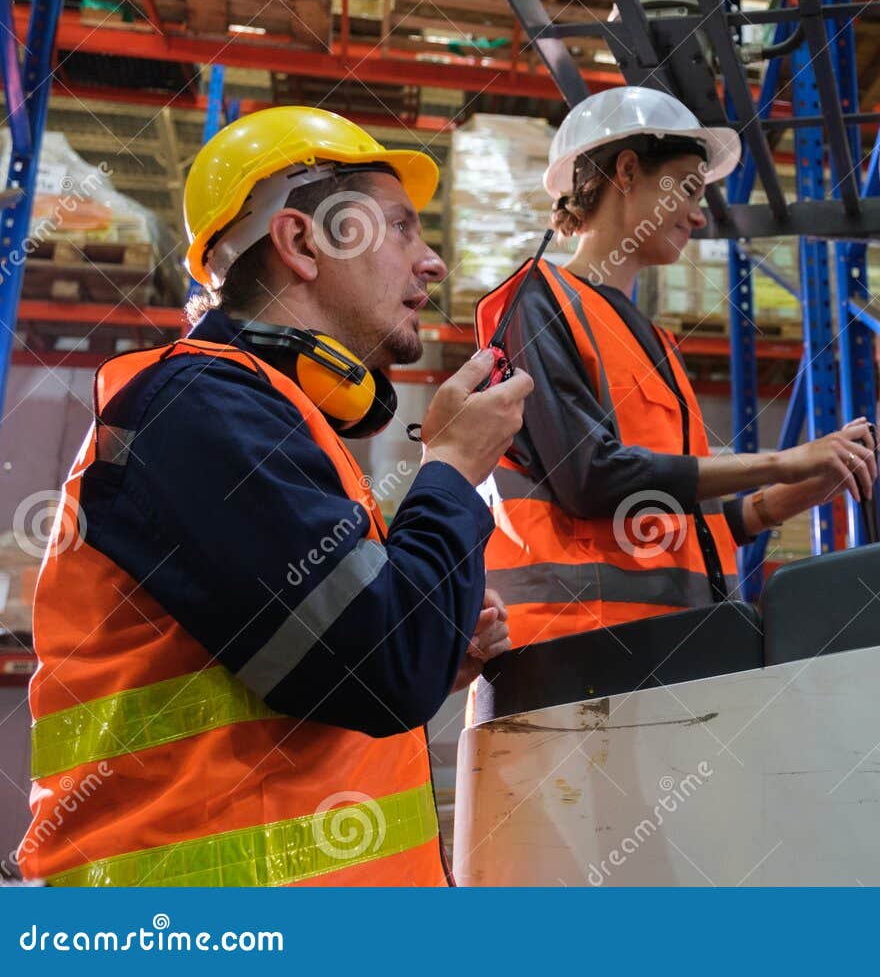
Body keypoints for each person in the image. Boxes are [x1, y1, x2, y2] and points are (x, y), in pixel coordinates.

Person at [17, 107, 534, 887]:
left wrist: (435, 638)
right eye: (400, 228)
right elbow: (381, 668)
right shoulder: (196, 409)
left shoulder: (265, 418)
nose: (431, 262)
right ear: (300, 243)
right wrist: (454, 466)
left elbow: (345, 665)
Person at [476, 86, 878, 647]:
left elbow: (680, 522)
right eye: (688, 187)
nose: (697, 213)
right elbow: (591, 478)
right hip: (572, 656)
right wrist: (780, 461)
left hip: (670, 646)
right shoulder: (538, 302)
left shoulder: (656, 342)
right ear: (627, 170)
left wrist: (791, 494)